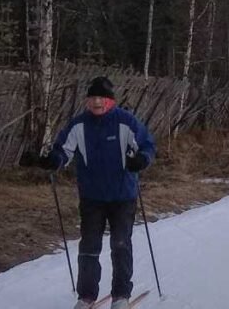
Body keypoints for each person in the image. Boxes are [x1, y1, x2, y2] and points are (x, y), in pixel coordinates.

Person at [21, 76, 157, 309]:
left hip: (122, 195)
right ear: (87, 101)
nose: (97, 102)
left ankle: (121, 295)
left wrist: (141, 160)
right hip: (92, 197)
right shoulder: (78, 125)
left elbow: (147, 145)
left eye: (102, 98)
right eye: (92, 97)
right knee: (89, 247)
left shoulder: (125, 121)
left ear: (111, 101)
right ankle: (86, 296)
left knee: (121, 245)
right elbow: (63, 152)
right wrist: (50, 161)